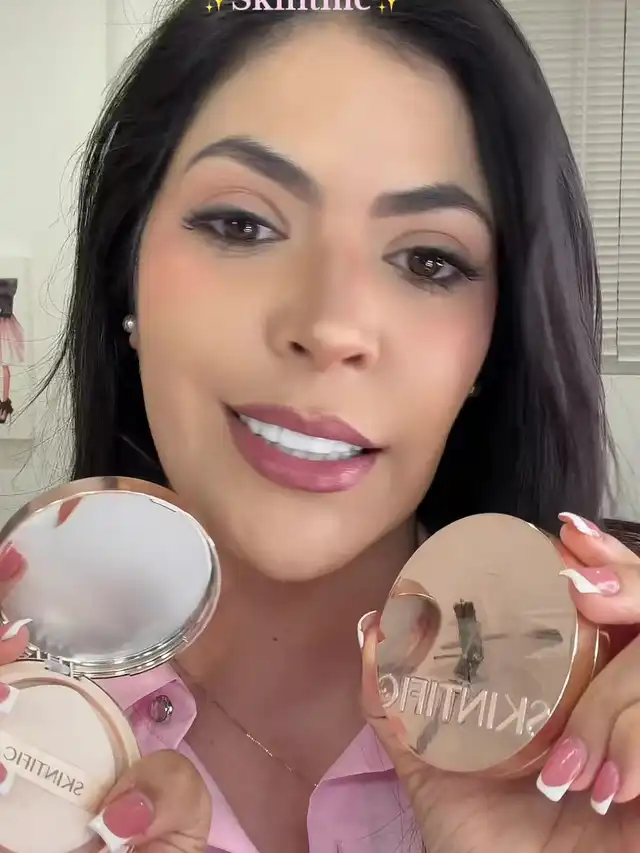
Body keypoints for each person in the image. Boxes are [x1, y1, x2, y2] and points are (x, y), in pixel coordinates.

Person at [1, 0, 639, 850]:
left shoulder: (602, 728)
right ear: (127, 271)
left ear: (496, 339)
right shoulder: (22, 715)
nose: (330, 326)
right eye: (242, 224)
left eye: (428, 260)